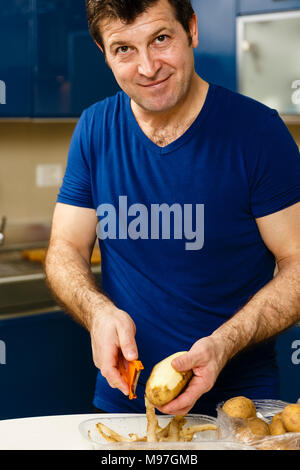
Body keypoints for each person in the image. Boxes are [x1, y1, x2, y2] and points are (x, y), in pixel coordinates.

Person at [45, 0, 300, 417]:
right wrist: (98, 312)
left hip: (237, 411)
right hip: (124, 404)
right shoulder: (94, 128)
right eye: (123, 49)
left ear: (191, 30)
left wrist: (223, 344)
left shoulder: (258, 132)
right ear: (103, 53)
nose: (147, 67)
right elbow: (64, 249)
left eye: (160, 39)